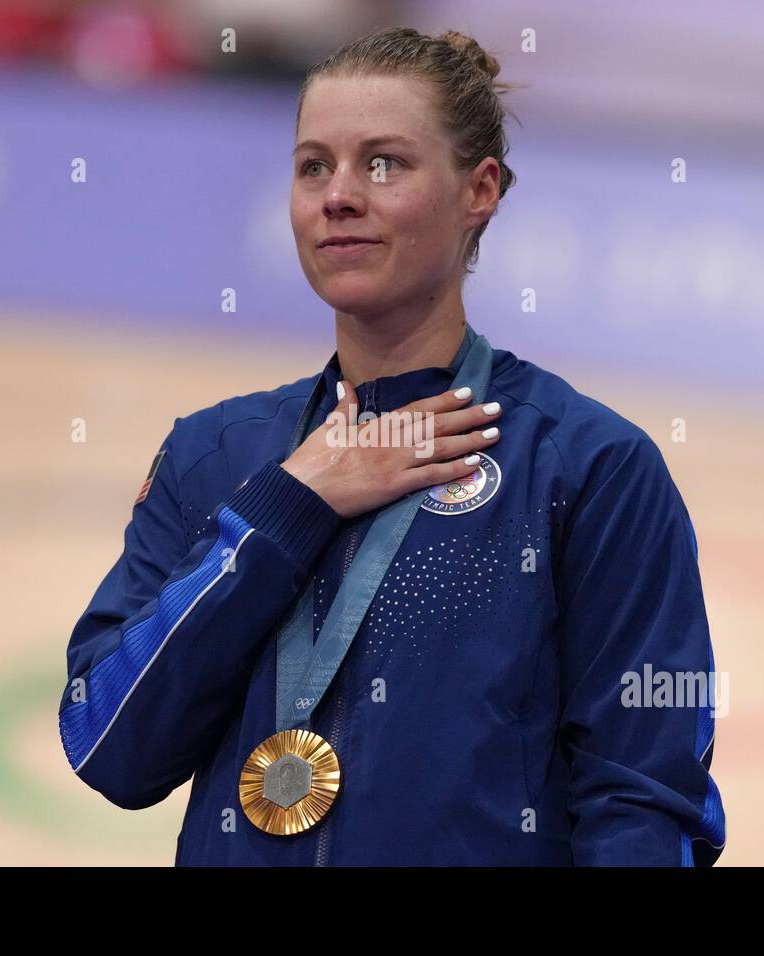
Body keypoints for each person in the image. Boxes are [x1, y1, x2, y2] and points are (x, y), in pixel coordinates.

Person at [58, 26, 726, 866]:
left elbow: (642, 801)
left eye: (384, 163)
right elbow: (108, 744)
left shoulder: (589, 466)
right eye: (313, 166)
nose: (339, 195)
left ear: (479, 190)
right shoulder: (217, 453)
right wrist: (285, 508)